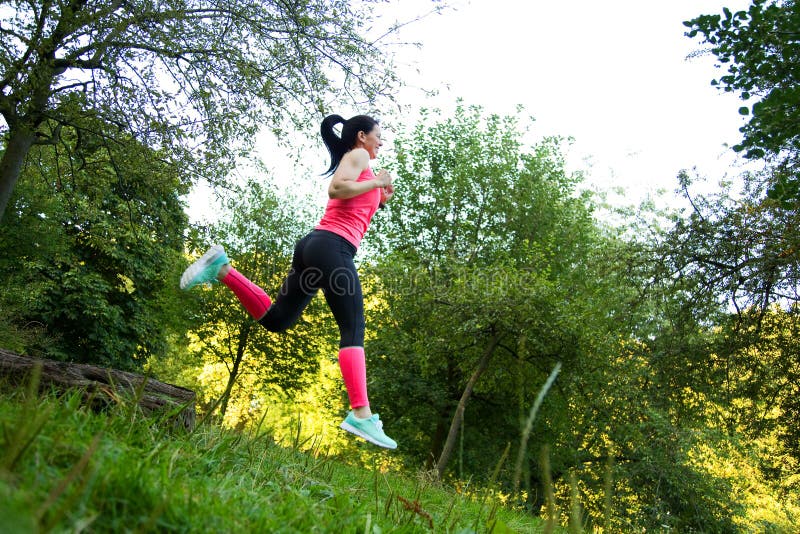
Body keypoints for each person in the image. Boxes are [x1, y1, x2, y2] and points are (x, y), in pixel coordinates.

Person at [179, 114, 397, 449]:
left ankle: (223, 269)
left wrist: (382, 191)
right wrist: (375, 182)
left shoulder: (364, 167)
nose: (381, 143)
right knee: (353, 328)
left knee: (278, 319)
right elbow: (337, 188)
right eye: (378, 136)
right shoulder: (359, 156)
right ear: (362, 136)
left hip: (314, 248)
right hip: (333, 249)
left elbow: (361, 200)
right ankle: (362, 414)